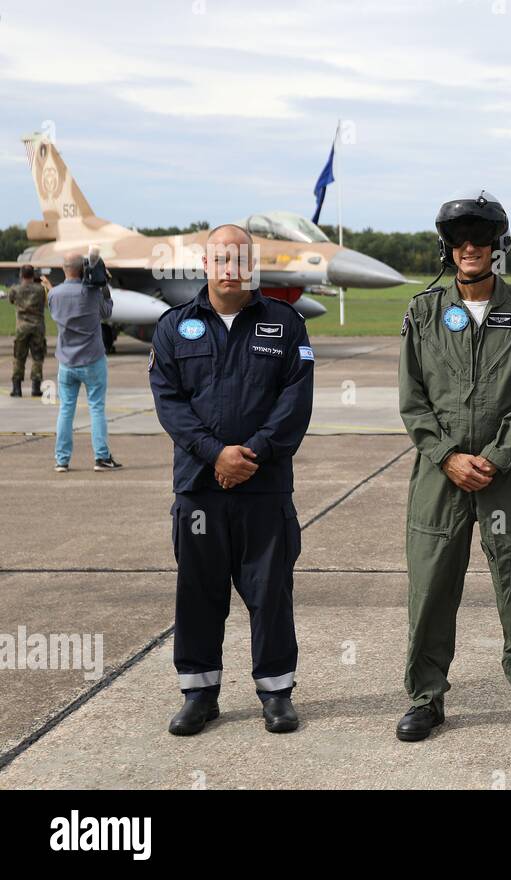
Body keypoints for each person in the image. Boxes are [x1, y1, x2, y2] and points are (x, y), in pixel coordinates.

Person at [396, 190, 511, 743]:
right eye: (461, 238)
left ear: (496, 246)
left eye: (481, 238)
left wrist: (493, 457)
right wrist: (445, 455)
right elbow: (412, 397)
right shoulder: (423, 311)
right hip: (437, 476)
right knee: (430, 588)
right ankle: (426, 698)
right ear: (448, 246)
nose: (471, 247)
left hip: (506, 476)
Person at [149, 224, 313, 736]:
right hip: (198, 487)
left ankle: (276, 692)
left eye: (240, 258)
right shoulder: (174, 327)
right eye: (221, 259)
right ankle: (199, 693)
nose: (230, 267)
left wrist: (254, 454)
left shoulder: (285, 324)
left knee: (270, 593)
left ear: (251, 264)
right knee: (198, 591)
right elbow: (170, 402)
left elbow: (295, 400)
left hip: (264, 487)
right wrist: (214, 454)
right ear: (206, 264)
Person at [47, 252, 119, 472]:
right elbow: (107, 311)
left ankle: (62, 460)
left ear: (64, 268)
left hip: (66, 362)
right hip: (92, 359)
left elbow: (53, 314)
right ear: (83, 269)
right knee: (96, 409)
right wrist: (104, 284)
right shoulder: (92, 292)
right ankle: (101, 458)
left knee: (66, 410)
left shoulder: (54, 294)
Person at [7, 264, 46, 398]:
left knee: (19, 357)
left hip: (22, 327)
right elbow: (44, 301)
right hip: (37, 327)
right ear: (33, 275)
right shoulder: (40, 290)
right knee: (37, 358)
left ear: (21, 275)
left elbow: (11, 300)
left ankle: (17, 388)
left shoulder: (15, 289)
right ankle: (36, 388)